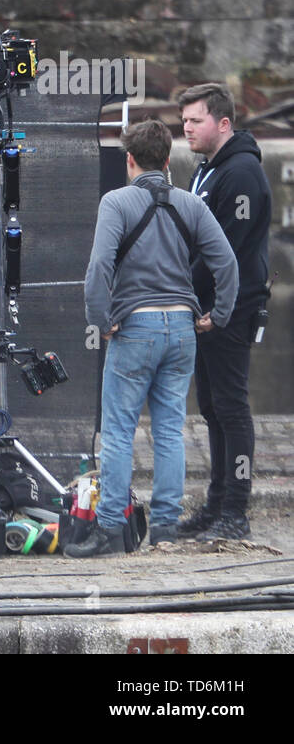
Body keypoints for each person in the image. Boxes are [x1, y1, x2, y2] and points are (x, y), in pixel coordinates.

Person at [71, 119, 238, 557]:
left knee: (120, 430)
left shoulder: (116, 202)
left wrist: (100, 319)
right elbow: (228, 266)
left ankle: (109, 530)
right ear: (167, 161)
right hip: (183, 329)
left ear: (129, 160)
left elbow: (98, 270)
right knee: (168, 430)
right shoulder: (191, 205)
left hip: (135, 328)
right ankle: (164, 528)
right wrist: (217, 315)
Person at [178, 83, 273, 541]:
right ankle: (216, 504)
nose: (187, 128)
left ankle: (236, 510)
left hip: (231, 308)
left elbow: (225, 253)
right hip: (207, 306)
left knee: (231, 407)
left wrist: (201, 298)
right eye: (184, 122)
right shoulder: (209, 169)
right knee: (213, 407)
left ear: (223, 123)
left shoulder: (240, 175)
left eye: (195, 120)